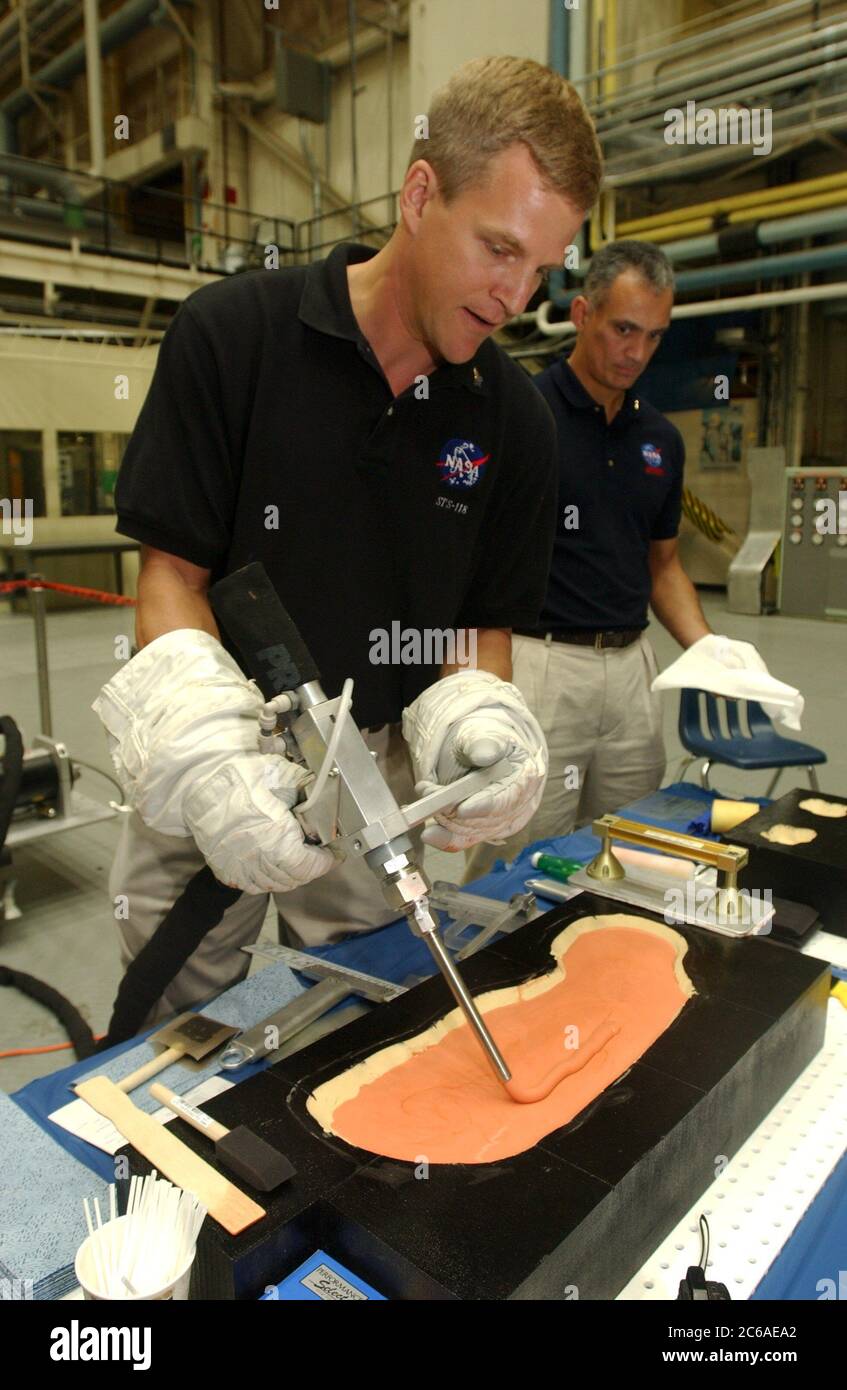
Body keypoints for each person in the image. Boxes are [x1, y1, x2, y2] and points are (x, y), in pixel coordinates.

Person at [92, 56, 603, 1023]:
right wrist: (212, 770)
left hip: (381, 774)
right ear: (420, 194)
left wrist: (474, 727)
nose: (514, 296)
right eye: (498, 249)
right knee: (174, 1031)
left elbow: (482, 628)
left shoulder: (512, 423)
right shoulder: (232, 338)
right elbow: (170, 579)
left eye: (541, 268)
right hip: (221, 746)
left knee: (367, 1020)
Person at [465, 239, 764, 878]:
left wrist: (710, 649)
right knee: (514, 856)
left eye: (654, 336)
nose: (636, 352)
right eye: (623, 329)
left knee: (628, 850)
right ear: (581, 314)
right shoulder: (523, 414)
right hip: (539, 665)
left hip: (631, 673)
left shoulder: (658, 438)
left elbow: (664, 565)